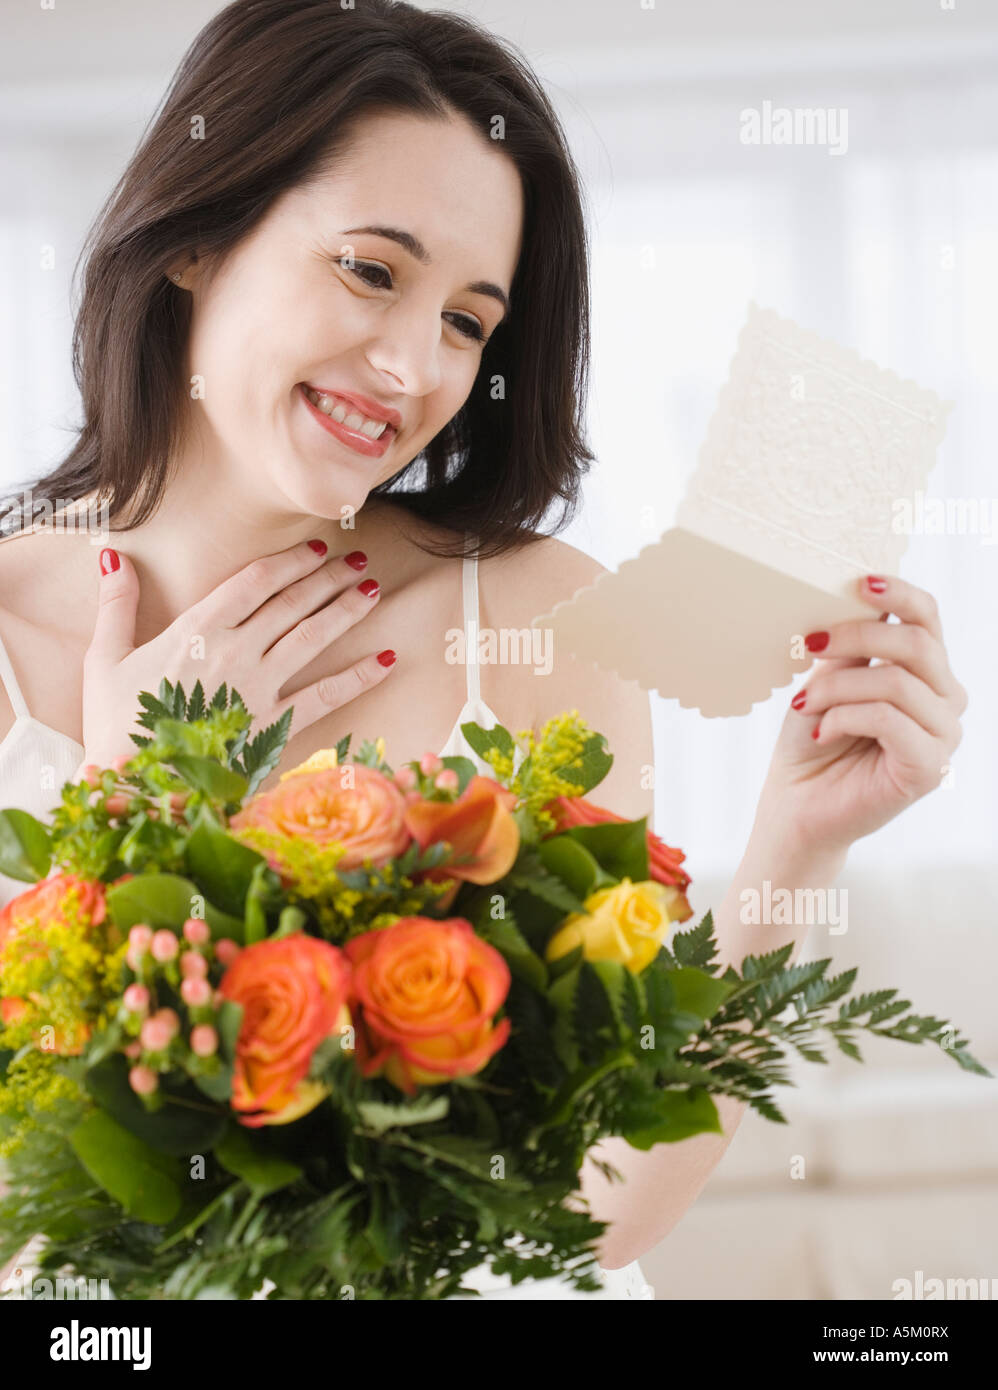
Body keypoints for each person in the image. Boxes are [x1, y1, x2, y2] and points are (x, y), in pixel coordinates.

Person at [0, 0, 967, 1300]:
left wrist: (796, 847)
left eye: (467, 320)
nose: (410, 366)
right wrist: (145, 805)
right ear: (195, 235)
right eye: (369, 269)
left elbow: (598, 1210)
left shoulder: (527, 621)